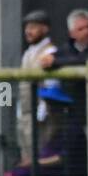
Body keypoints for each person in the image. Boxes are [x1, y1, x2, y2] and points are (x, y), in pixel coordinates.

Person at [0, 80, 86, 176]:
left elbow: (62, 158)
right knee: (13, 175)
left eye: (52, 106)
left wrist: (35, 163)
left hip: (64, 171)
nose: (49, 109)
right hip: (46, 169)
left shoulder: (71, 127)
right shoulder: (55, 126)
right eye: (48, 105)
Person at [17, 10, 57, 165]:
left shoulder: (50, 51)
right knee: (26, 154)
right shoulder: (27, 53)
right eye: (27, 27)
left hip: (42, 116)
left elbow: (52, 84)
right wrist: (14, 107)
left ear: (45, 29)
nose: (28, 31)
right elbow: (5, 83)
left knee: (40, 155)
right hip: (25, 114)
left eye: (33, 27)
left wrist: (43, 108)